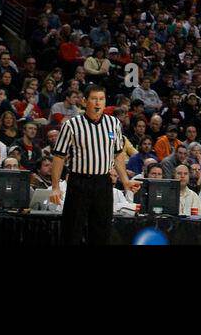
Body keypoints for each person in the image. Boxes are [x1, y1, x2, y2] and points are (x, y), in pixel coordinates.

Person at [50, 84, 139, 245]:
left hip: (103, 183)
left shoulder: (113, 123)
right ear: (84, 102)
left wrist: (125, 181)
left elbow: (118, 155)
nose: (98, 103)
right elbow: (59, 156)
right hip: (79, 181)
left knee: (102, 231)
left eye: (101, 99)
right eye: (94, 99)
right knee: (72, 230)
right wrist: (55, 186)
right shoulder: (71, 124)